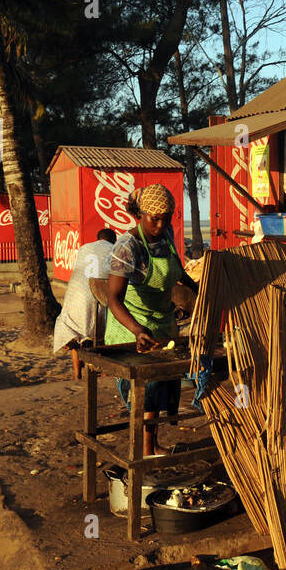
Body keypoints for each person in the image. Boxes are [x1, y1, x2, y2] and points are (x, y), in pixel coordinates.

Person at [105, 184, 198, 456]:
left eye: (166, 218)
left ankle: (152, 444)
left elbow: (177, 271)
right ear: (140, 215)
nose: (161, 224)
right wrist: (137, 330)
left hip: (162, 324)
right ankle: (146, 451)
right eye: (154, 219)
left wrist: (196, 288)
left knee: (162, 390)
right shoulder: (127, 247)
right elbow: (113, 299)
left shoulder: (166, 235)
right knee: (147, 392)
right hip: (132, 326)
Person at [54, 228, 118, 378]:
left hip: (77, 294)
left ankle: (77, 374)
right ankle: (103, 372)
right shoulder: (114, 249)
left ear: (97, 239)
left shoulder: (84, 248)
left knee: (75, 335)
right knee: (102, 334)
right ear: (113, 240)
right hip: (99, 294)